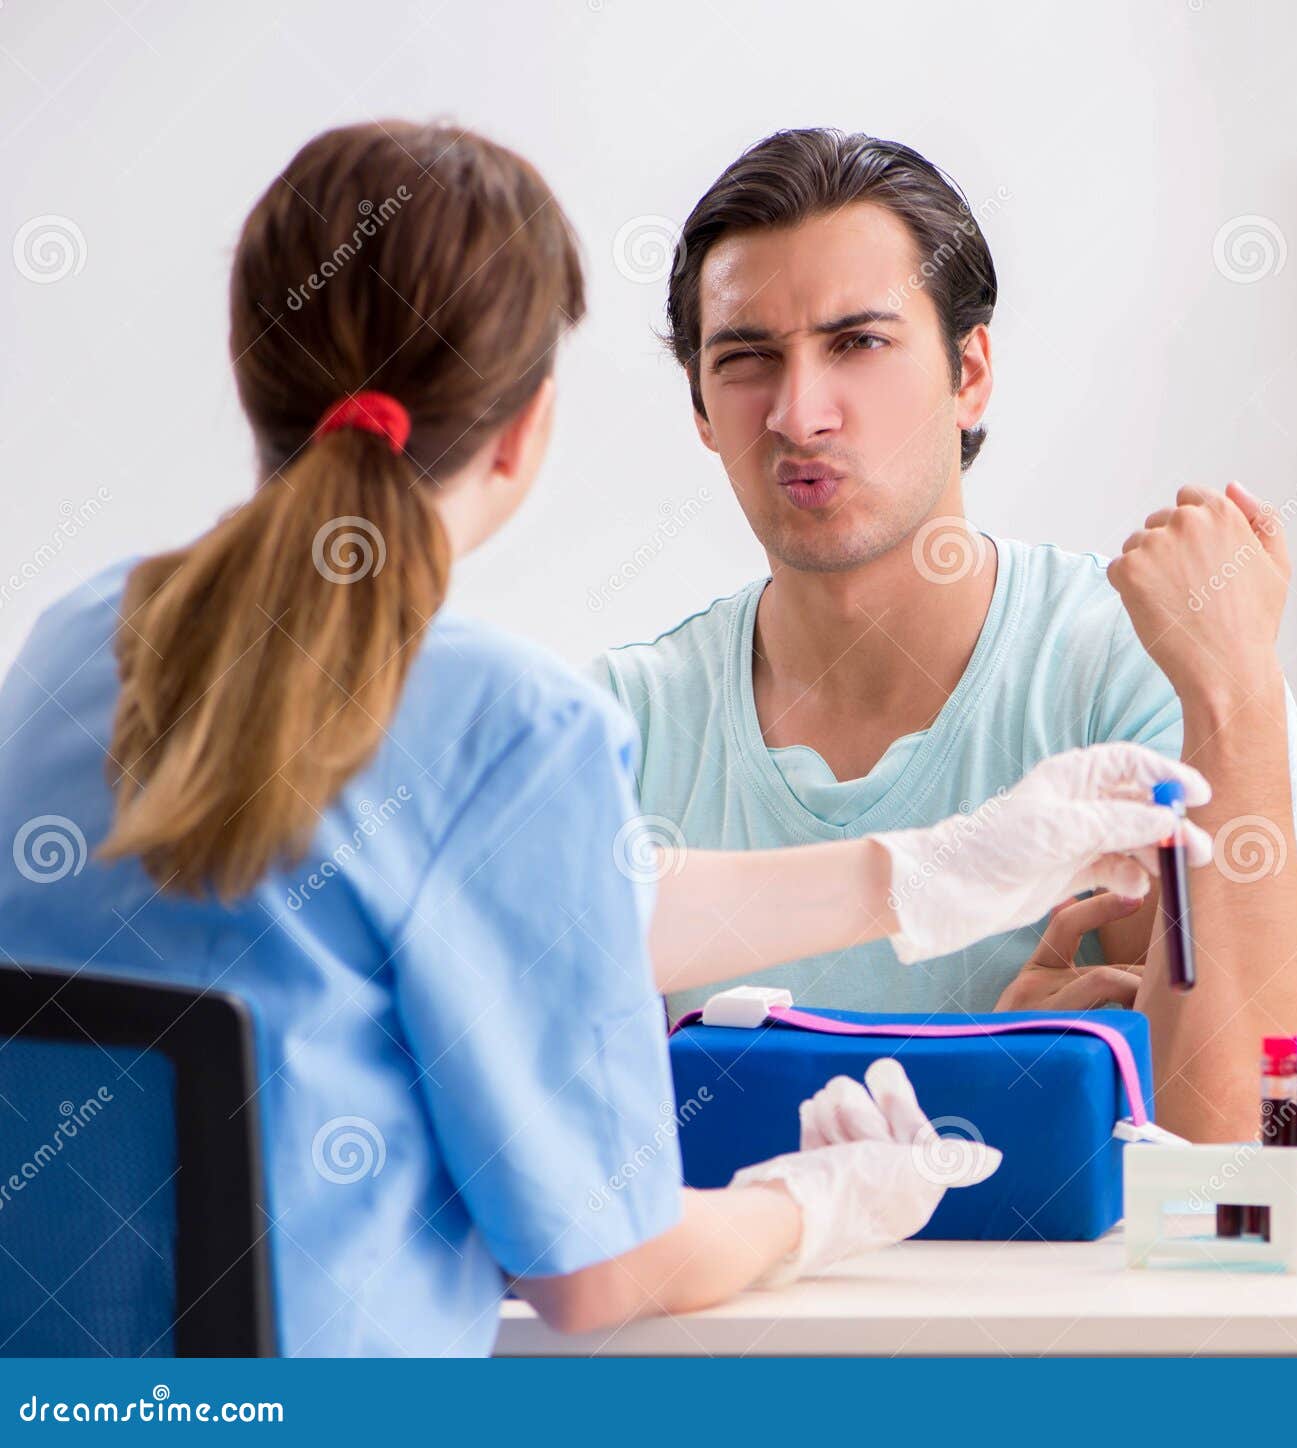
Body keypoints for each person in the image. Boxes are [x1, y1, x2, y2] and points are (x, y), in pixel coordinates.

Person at [0, 123, 1212, 1357]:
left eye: (854, 342)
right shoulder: (512, 719)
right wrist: (804, 1209)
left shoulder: (68, 652)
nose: (803, 409)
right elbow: (599, 1268)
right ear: (526, 430)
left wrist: (933, 869)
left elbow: (540, 904)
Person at [593, 128, 1297, 1143]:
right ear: (701, 411)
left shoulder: (1132, 672)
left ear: (969, 373)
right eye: (746, 359)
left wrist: (1236, 691)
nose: (800, 413)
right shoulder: (621, 726)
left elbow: (1260, 1146)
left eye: (858, 342)